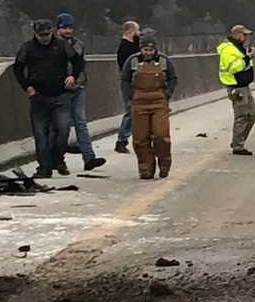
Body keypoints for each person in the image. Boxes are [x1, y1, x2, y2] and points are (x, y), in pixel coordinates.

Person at [13, 19, 84, 178]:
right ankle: (44, 167)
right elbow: (17, 68)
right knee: (40, 134)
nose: (44, 38)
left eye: (47, 34)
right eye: (41, 35)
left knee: (62, 130)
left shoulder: (62, 45)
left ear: (52, 32)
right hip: (38, 96)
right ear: (35, 34)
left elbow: (78, 61)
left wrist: (73, 76)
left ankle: (58, 160)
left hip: (60, 95)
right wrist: (27, 87)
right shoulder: (27, 48)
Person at [120, 35, 177, 179]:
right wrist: (129, 98)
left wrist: (168, 93)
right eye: (146, 49)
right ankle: (145, 167)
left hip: (159, 102)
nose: (148, 53)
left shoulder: (164, 61)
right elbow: (125, 80)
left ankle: (164, 163)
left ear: (155, 49)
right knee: (140, 138)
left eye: (151, 50)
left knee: (161, 135)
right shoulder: (132, 61)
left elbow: (173, 78)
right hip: (139, 103)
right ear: (141, 49)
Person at [55, 13, 106, 172]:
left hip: (78, 87)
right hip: (59, 90)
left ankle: (89, 158)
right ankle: (58, 159)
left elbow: (80, 65)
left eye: (70, 27)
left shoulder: (78, 44)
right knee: (61, 126)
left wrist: (80, 81)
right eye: (64, 28)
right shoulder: (53, 45)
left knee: (81, 123)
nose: (68, 31)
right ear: (58, 28)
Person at [218, 24, 255, 156]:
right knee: (242, 116)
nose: (246, 37)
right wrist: (248, 58)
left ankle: (238, 142)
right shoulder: (228, 49)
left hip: (244, 86)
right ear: (237, 35)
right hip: (236, 87)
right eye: (244, 35)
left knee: (252, 115)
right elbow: (233, 67)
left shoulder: (240, 48)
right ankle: (238, 146)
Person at [114, 21, 141, 154]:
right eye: (137, 30)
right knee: (130, 111)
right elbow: (125, 67)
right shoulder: (125, 47)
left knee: (134, 112)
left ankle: (127, 139)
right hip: (129, 84)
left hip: (135, 82)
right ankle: (121, 140)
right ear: (131, 31)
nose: (139, 33)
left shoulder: (133, 45)